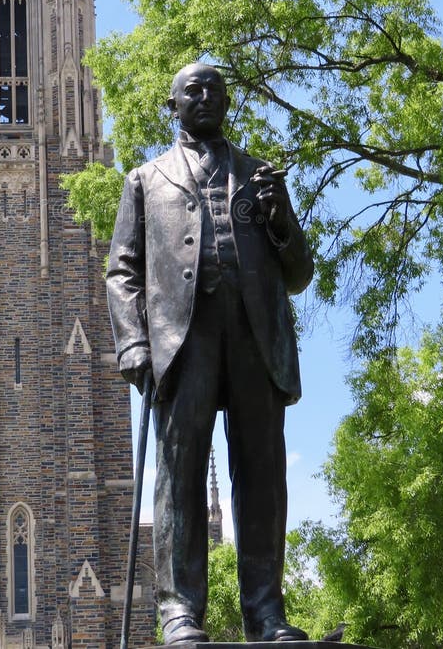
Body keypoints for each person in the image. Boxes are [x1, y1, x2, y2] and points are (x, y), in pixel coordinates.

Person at [106, 63, 313, 644]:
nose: (205, 98)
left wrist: (281, 220)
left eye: (215, 90)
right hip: (183, 341)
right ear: (173, 105)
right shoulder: (146, 181)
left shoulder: (258, 176)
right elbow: (121, 272)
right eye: (192, 91)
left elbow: (298, 273)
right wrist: (133, 343)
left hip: (254, 337)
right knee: (179, 474)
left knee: (263, 476)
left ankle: (266, 612)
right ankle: (179, 611)